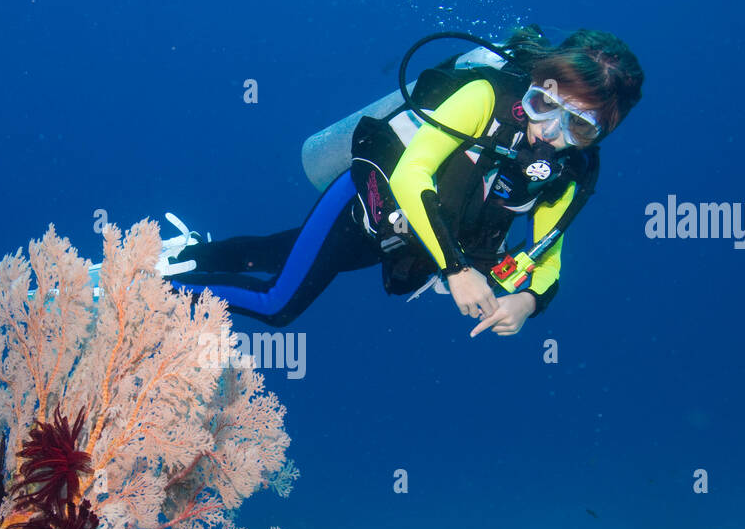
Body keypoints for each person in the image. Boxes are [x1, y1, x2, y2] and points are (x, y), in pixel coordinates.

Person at [163, 25, 644, 336]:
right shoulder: (485, 96)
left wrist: (526, 302)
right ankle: (148, 288)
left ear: (600, 133)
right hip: (367, 206)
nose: (549, 132)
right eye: (545, 106)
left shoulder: (567, 173)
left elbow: (548, 257)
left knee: (278, 252)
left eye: (578, 126)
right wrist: (456, 269)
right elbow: (413, 172)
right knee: (277, 303)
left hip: (409, 241)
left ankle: (188, 255)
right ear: (537, 83)